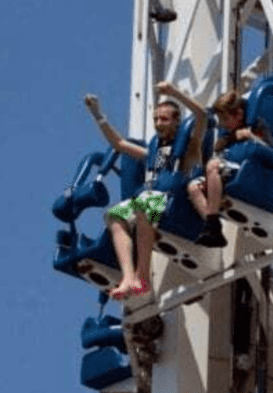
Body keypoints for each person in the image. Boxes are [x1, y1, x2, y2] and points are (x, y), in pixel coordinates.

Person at [84, 81, 208, 300]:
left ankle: (143, 278)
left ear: (177, 122)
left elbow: (201, 116)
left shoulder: (190, 146)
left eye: (164, 119)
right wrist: (98, 114)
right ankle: (128, 277)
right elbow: (120, 144)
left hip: (174, 200)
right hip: (150, 198)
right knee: (114, 216)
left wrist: (174, 93)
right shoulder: (156, 150)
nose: (159, 124)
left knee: (143, 206)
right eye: (156, 119)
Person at [187, 90, 271, 247]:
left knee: (213, 166)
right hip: (226, 170)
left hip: (250, 170)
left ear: (239, 114)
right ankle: (214, 228)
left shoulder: (256, 125)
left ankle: (211, 223)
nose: (223, 124)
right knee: (193, 187)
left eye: (225, 119)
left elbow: (269, 150)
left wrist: (250, 137)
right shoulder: (227, 136)